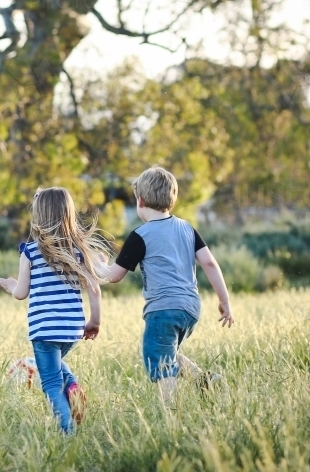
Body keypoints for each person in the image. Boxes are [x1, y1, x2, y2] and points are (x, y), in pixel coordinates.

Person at [100, 166, 234, 403]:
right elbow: (210, 264)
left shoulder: (140, 235)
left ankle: (171, 414)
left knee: (159, 359)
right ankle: (205, 381)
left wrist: (95, 265)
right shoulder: (187, 228)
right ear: (171, 201)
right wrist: (224, 301)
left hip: (163, 309)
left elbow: (114, 275)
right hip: (191, 308)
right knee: (169, 353)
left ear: (140, 201)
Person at [0, 187, 110, 434]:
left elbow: (21, 293)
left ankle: (67, 431)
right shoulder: (78, 251)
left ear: (38, 215)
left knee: (50, 383)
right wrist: (95, 322)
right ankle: (72, 387)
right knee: (56, 366)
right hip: (72, 329)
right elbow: (94, 288)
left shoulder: (30, 251)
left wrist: (10, 285)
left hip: (44, 330)